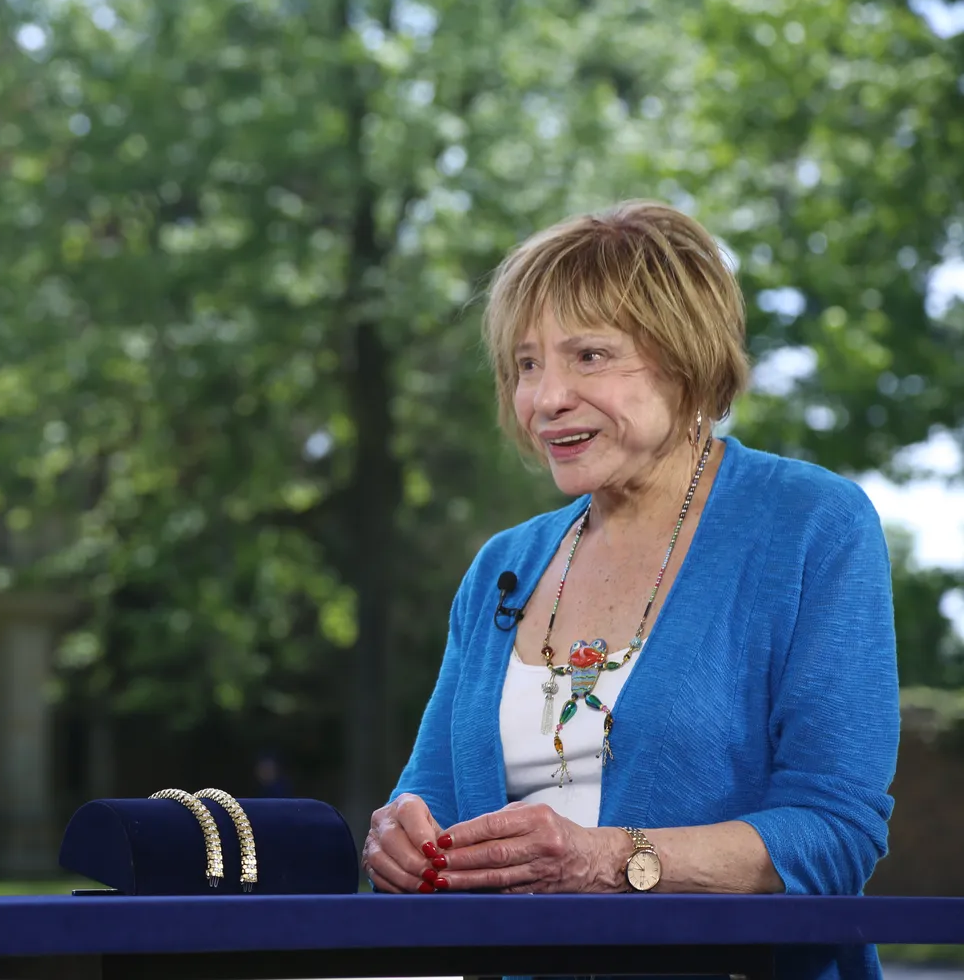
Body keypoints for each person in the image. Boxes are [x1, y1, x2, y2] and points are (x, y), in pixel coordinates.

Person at [362, 201, 898, 980]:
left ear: (686, 358)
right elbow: (431, 796)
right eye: (526, 364)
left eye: (588, 356)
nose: (546, 399)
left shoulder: (812, 526)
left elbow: (833, 834)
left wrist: (608, 859)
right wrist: (399, 841)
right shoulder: (502, 567)